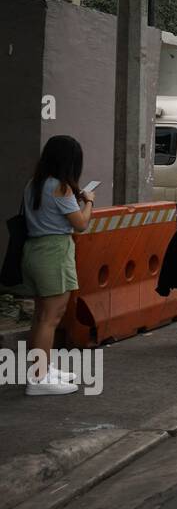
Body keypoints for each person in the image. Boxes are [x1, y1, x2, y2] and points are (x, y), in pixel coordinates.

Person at [20, 136, 95, 395]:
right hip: (54, 252)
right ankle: (39, 380)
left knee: (41, 315)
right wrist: (89, 201)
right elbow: (81, 224)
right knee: (52, 318)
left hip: (33, 252)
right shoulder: (61, 188)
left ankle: (41, 369)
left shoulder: (34, 184)